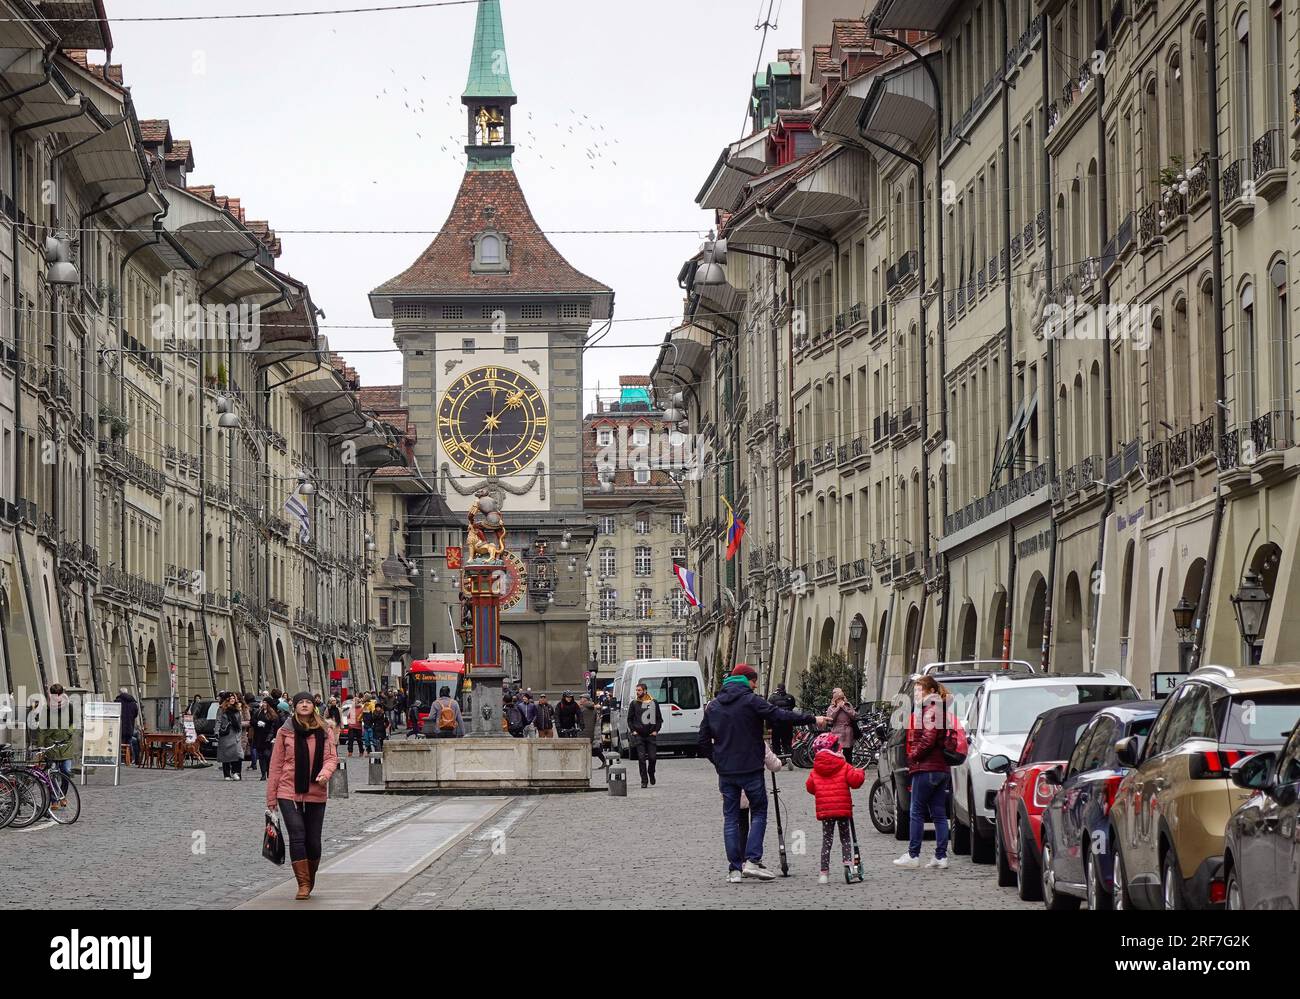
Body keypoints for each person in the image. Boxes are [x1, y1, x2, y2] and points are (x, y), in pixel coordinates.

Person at [698, 664, 827, 882]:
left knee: (730, 818)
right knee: (759, 811)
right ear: (745, 680)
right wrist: (813, 719)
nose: (756, 684)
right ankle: (752, 861)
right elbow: (781, 716)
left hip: (726, 771)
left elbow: (702, 742)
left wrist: (718, 760)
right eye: (753, 680)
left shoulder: (714, 706)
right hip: (751, 768)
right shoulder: (752, 701)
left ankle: (734, 870)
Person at [266, 693, 338, 900]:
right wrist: (271, 798)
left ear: (313, 707)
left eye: (308, 702)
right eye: (300, 703)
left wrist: (325, 773)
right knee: (297, 835)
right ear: (294, 707)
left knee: (313, 841)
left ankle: (310, 876)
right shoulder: (285, 731)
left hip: (316, 790)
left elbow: (331, 758)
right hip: (288, 790)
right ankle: (303, 884)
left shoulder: (325, 730)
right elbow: (276, 764)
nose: (304, 705)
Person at [895, 675, 957, 870]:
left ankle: (913, 855)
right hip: (941, 768)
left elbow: (928, 739)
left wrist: (913, 754)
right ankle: (940, 856)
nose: (916, 693)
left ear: (930, 691)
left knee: (916, 811)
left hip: (927, 767)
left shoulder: (931, 709)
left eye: (919, 690)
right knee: (938, 813)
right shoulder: (940, 708)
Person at [805, 732, 866, 884]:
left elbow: (810, 787)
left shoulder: (815, 770)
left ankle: (824, 873)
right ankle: (847, 865)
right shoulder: (844, 765)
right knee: (845, 838)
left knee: (827, 840)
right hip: (843, 810)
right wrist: (860, 772)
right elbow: (855, 781)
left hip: (826, 811)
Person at [735, 740, 784, 851]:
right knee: (757, 820)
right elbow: (774, 765)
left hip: (735, 789)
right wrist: (778, 760)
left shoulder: (730, 740)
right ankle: (752, 857)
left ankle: (741, 858)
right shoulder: (757, 741)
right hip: (754, 787)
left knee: (741, 825)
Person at [627, 683, 662, 788]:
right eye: (637, 690)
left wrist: (656, 730)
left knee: (652, 758)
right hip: (639, 735)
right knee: (641, 758)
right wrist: (633, 731)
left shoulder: (653, 702)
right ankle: (644, 780)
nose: (638, 692)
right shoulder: (634, 703)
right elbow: (629, 719)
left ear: (645, 691)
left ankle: (651, 772)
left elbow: (659, 718)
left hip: (651, 735)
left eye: (639, 690)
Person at [216, 692, 244, 780]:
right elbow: (218, 721)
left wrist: (239, 734)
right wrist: (217, 732)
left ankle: (236, 772)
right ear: (226, 699)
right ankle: (227, 774)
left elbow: (239, 723)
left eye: (233, 698)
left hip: (235, 733)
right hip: (225, 734)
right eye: (230, 698)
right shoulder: (221, 709)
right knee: (226, 755)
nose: (232, 700)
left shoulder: (237, 709)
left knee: (238, 754)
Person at [826, 687, 858, 764]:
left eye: (842, 698)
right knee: (837, 757)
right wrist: (838, 708)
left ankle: (848, 773)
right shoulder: (831, 708)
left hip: (847, 734)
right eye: (839, 699)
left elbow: (854, 716)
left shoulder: (848, 705)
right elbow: (830, 720)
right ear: (835, 699)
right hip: (836, 734)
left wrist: (844, 707)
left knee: (848, 756)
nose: (841, 700)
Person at [252, 697, 279, 780]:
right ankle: (263, 774)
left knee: (267, 755)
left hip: (268, 738)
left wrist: (272, 737)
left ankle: (268, 772)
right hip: (259, 737)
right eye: (263, 702)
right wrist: (257, 723)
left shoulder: (273, 714)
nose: (264, 704)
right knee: (260, 756)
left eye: (265, 702)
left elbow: (275, 726)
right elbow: (252, 720)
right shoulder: (258, 712)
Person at [767, 684, 797, 757]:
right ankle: (788, 756)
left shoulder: (772, 698)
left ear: (777, 688)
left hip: (776, 724)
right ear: (784, 689)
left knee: (776, 742)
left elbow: (769, 713)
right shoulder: (790, 697)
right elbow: (792, 707)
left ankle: (778, 757)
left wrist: (769, 726)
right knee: (787, 741)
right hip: (787, 723)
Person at [577, 695, 607, 769]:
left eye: (582, 699)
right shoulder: (592, 709)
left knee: (591, 750)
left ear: (586, 700)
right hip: (590, 731)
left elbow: (577, 719)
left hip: (584, 732)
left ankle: (585, 765)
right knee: (593, 750)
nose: (580, 700)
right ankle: (603, 761)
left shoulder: (583, 709)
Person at [114, 686, 140, 765]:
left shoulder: (117, 702)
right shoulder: (133, 703)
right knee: (130, 742)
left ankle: (120, 759)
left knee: (119, 743)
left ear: (120, 693)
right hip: (129, 727)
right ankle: (131, 759)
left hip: (119, 727)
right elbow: (136, 714)